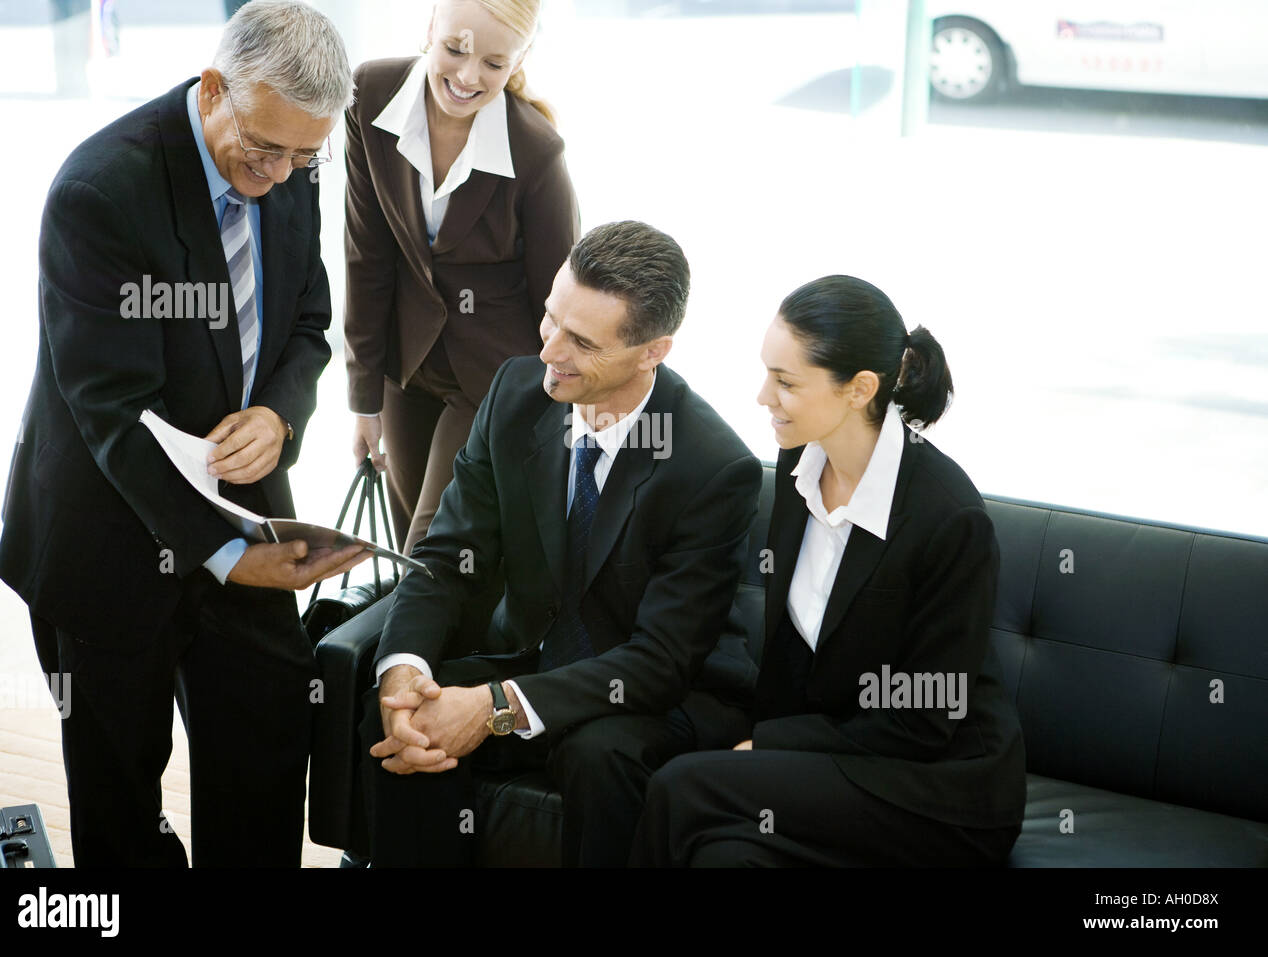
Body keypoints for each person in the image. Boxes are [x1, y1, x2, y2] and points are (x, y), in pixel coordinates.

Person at [0, 0, 364, 867]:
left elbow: (310, 321)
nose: (279, 176)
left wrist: (279, 413)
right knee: (120, 788)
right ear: (212, 90)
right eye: (263, 149)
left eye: (303, 156)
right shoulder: (100, 193)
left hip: (246, 515)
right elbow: (112, 413)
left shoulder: (293, 158)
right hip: (106, 535)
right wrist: (230, 556)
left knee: (267, 749)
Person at [360, 221, 762, 867]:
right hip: (534, 658)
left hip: (656, 689)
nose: (550, 350)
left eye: (581, 341)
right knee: (406, 708)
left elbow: (660, 659)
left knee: (598, 753)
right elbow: (446, 557)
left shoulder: (709, 465)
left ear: (652, 351)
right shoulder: (516, 394)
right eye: (550, 319)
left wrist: (494, 707)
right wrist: (406, 670)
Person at [632, 276, 1027, 867]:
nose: (763, 396)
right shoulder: (800, 464)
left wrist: (769, 744)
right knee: (729, 852)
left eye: (786, 382)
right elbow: (795, 655)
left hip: (940, 785)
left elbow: (925, 720)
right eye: (768, 373)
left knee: (681, 785)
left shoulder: (949, 519)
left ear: (859, 389)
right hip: (839, 755)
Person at [345, 0, 580, 556]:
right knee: (408, 546)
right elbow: (366, 252)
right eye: (455, 49)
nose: (468, 77)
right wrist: (363, 397)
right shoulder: (372, 94)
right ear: (430, 27)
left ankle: (401, 648)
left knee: (433, 549)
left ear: (521, 58)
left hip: (493, 376)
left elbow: (564, 298)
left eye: (495, 65)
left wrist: (559, 408)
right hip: (407, 367)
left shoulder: (536, 151)